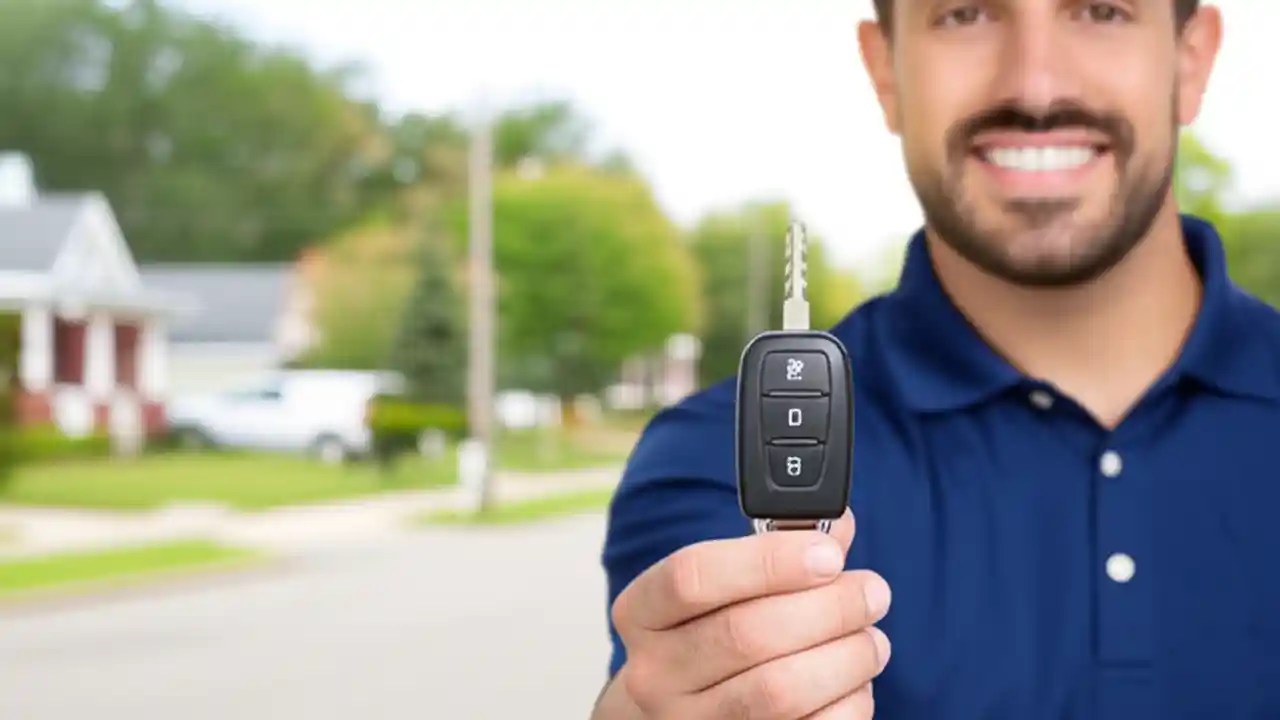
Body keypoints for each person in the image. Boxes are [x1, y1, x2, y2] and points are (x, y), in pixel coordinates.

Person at [592, 1, 1280, 718]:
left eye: (1101, 10)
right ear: (885, 70)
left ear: (1191, 58)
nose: (1035, 87)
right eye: (966, 13)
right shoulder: (718, 457)